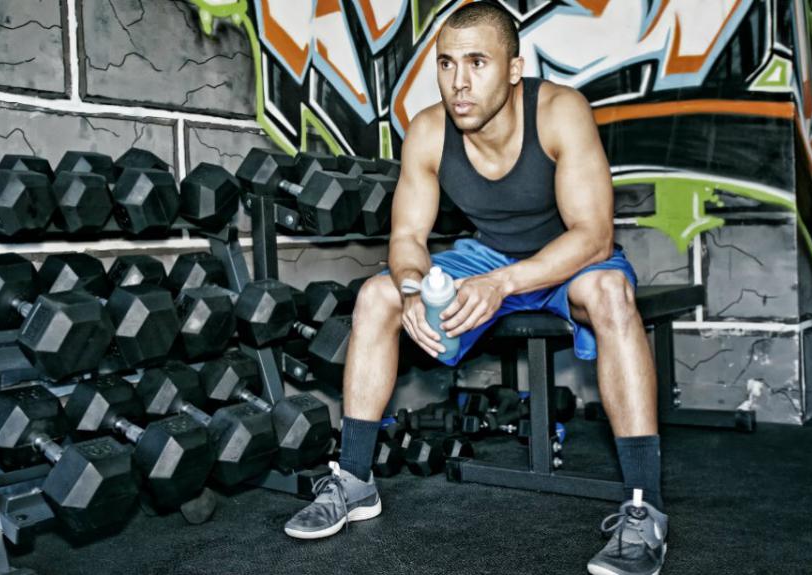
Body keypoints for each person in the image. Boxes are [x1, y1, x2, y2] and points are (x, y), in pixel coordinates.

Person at [283, 3, 667, 574]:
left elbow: (592, 236)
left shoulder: (561, 112)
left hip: (565, 255)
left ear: (513, 69)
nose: (458, 82)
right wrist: (413, 288)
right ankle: (354, 480)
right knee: (376, 296)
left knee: (611, 294)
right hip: (487, 256)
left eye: (477, 63)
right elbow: (408, 236)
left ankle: (644, 508)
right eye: (446, 63)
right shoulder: (429, 132)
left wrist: (503, 283)